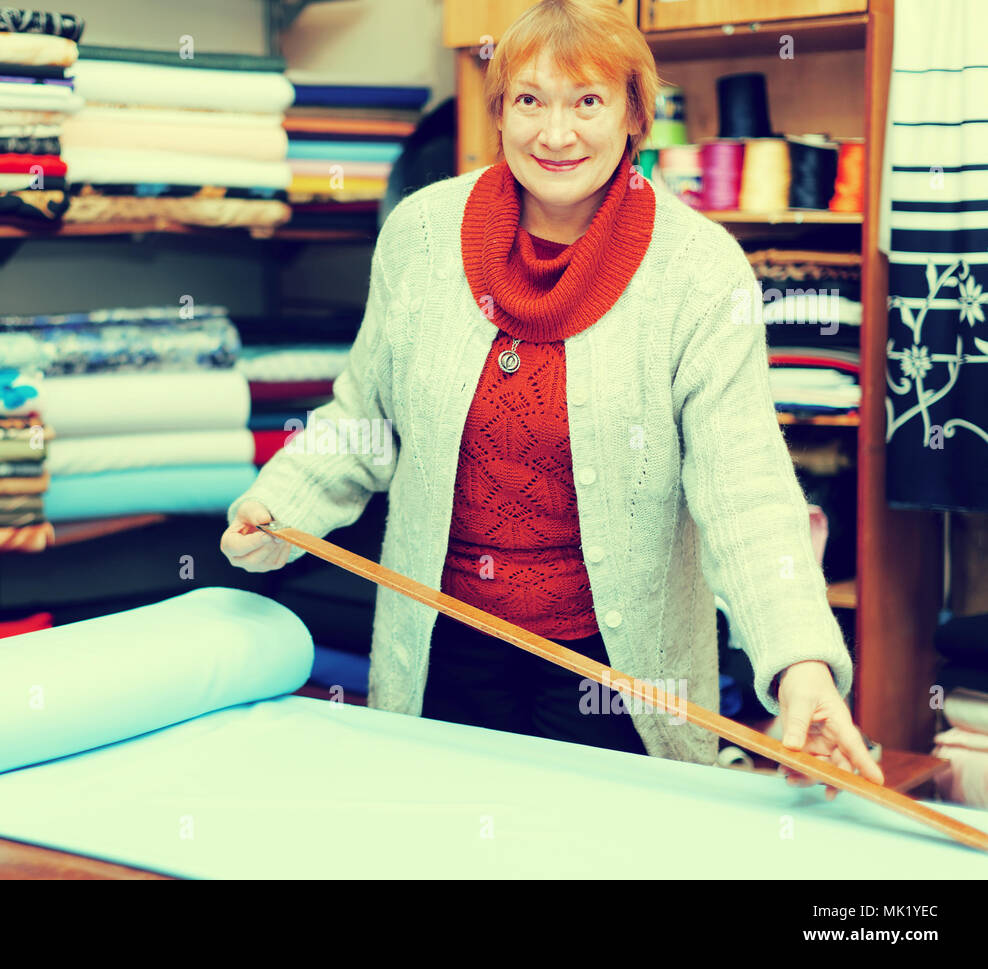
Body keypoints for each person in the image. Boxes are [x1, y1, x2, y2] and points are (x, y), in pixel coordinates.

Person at [221, 0, 882, 795]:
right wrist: (280, 503)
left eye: (588, 101)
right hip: (445, 654)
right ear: (499, 112)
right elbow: (364, 418)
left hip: (613, 677)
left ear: (635, 113)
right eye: (529, 100)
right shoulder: (422, 235)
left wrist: (800, 661)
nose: (555, 133)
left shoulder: (700, 273)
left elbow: (744, 486)